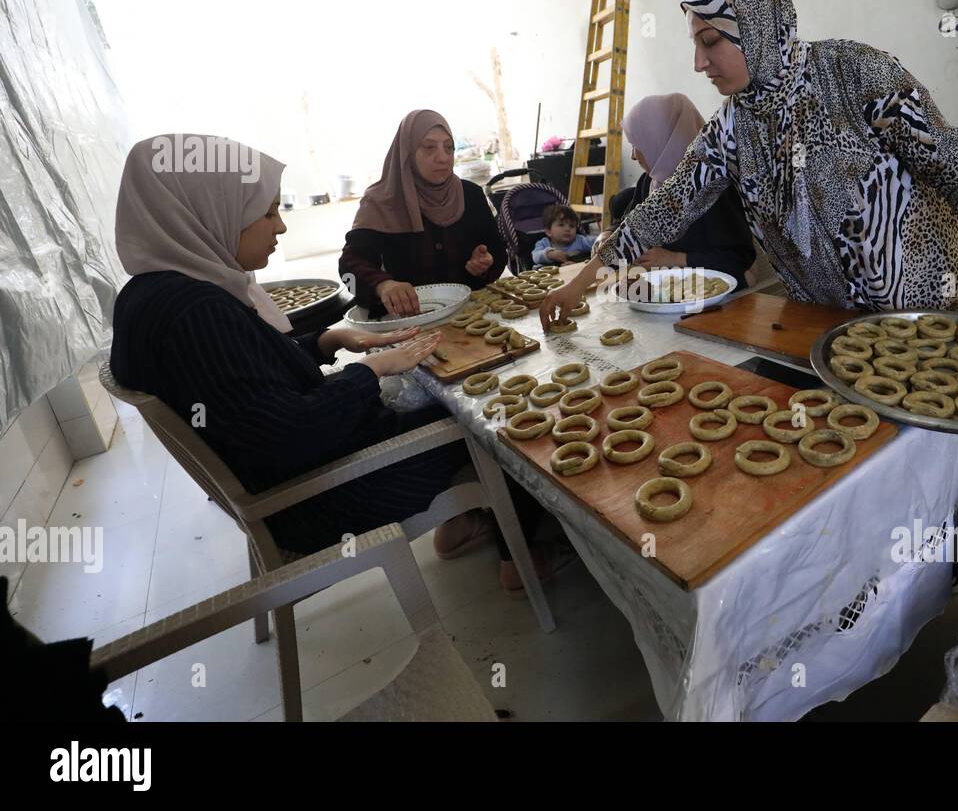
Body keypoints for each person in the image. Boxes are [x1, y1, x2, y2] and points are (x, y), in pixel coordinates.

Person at [110, 134, 569, 594]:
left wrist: (330, 338)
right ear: (209, 211)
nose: (281, 228)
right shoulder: (196, 314)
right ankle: (519, 555)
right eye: (267, 213)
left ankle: (474, 521)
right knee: (493, 412)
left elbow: (249, 381)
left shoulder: (151, 294)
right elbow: (289, 433)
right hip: (326, 492)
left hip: (300, 475)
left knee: (452, 395)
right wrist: (371, 369)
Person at [542, 0, 958, 342]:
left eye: (711, 43)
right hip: (823, 334)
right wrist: (584, 282)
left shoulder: (858, 75)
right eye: (695, 45)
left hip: (919, 328)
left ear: (758, 25)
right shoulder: (735, 126)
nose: (699, 64)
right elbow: (665, 208)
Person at [340, 110, 507, 318]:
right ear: (407, 152)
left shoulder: (469, 195)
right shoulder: (381, 202)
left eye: (449, 148)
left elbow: (498, 252)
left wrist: (484, 265)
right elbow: (348, 269)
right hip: (406, 324)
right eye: (429, 148)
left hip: (470, 315)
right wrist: (382, 285)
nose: (443, 158)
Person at [607, 93, 756, 285]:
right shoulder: (649, 182)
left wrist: (674, 259)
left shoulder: (712, 185)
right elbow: (628, 224)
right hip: (666, 290)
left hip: (712, 293)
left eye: (637, 145)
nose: (634, 156)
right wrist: (606, 235)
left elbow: (739, 261)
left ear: (660, 140)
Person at [532, 203, 596, 265]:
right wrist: (550, 254)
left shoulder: (581, 241)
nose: (567, 229)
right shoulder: (544, 243)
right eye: (561, 225)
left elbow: (599, 243)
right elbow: (535, 256)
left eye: (572, 226)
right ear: (549, 231)